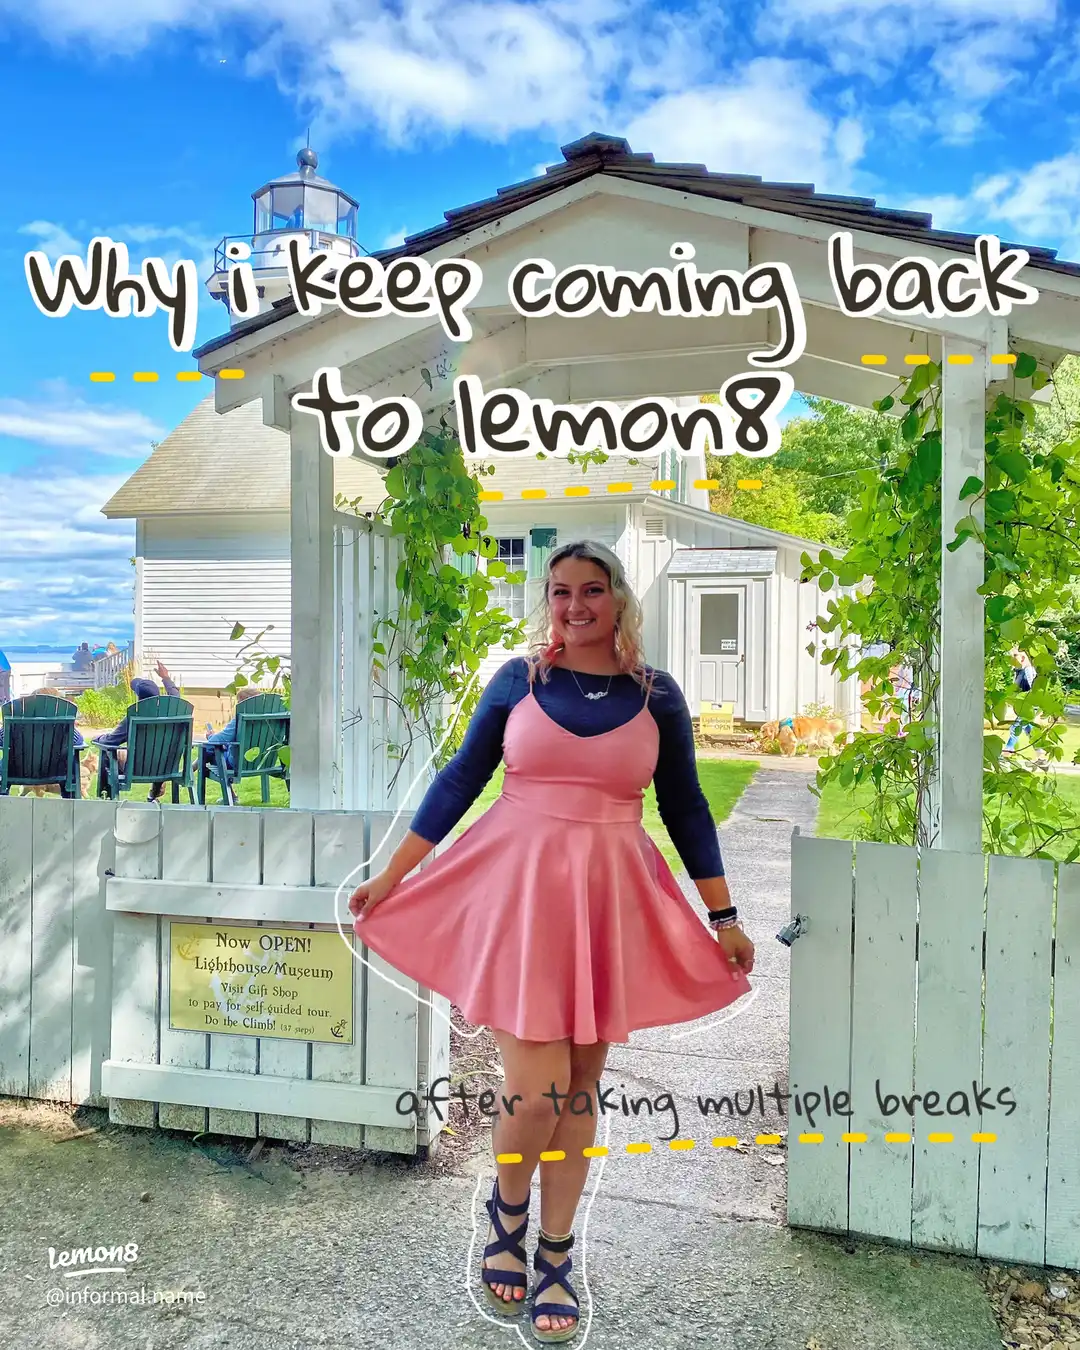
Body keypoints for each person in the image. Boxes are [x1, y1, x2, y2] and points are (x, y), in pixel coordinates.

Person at [348, 539, 755, 1343]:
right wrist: (392, 874)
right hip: (522, 900)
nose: (575, 606)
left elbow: (686, 808)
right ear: (548, 600)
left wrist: (725, 918)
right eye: (561, 591)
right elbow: (462, 779)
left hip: (608, 906)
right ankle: (507, 1210)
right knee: (536, 1089)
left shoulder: (656, 695)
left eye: (592, 590)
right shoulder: (518, 680)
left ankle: (558, 1248)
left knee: (577, 1088)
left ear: (619, 599)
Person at [94, 661, 179, 799]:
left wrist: (98, 738)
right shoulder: (174, 711)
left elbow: (110, 741)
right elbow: (175, 695)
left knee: (106, 753)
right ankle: (154, 795)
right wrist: (166, 677)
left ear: (139, 697)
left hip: (137, 767)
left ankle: (106, 797)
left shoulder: (133, 717)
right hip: (165, 766)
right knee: (158, 755)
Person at [1003, 649, 1038, 756]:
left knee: (1016, 727)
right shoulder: (1021, 671)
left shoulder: (1028, 670)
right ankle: (1041, 753)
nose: (1012, 658)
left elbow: (1034, 689)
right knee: (1028, 729)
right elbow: (1015, 689)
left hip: (1028, 705)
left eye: (1014, 655)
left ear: (1023, 658)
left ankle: (1007, 751)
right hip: (1023, 705)